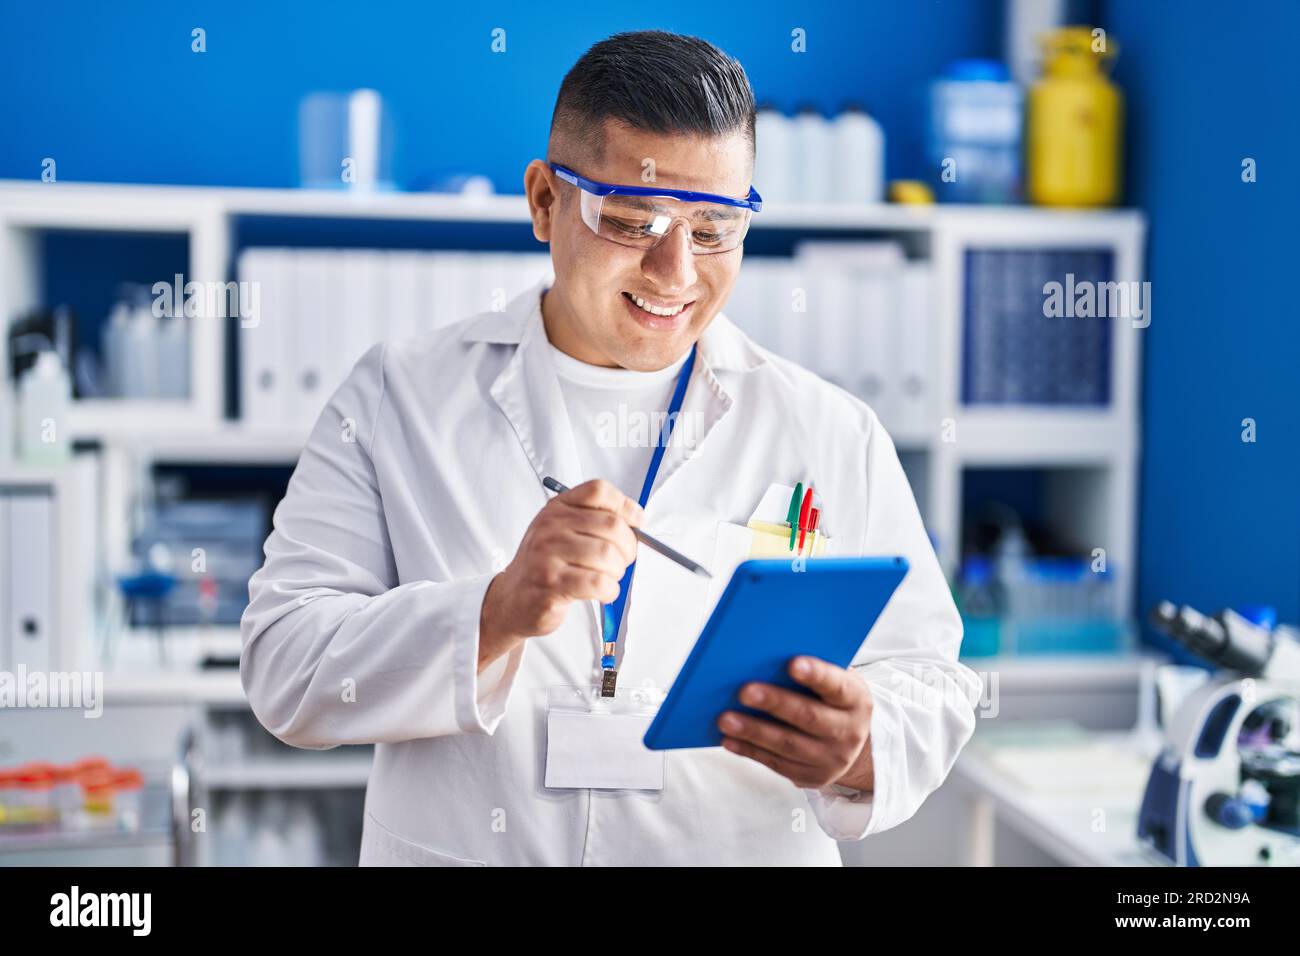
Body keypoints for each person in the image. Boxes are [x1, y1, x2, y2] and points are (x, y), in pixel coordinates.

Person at [241, 29, 980, 866]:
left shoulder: (828, 428)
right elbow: (284, 668)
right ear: (545, 202)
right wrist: (492, 613)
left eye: (714, 231)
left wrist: (862, 744)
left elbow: (933, 676)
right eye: (633, 222)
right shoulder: (396, 398)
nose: (675, 273)